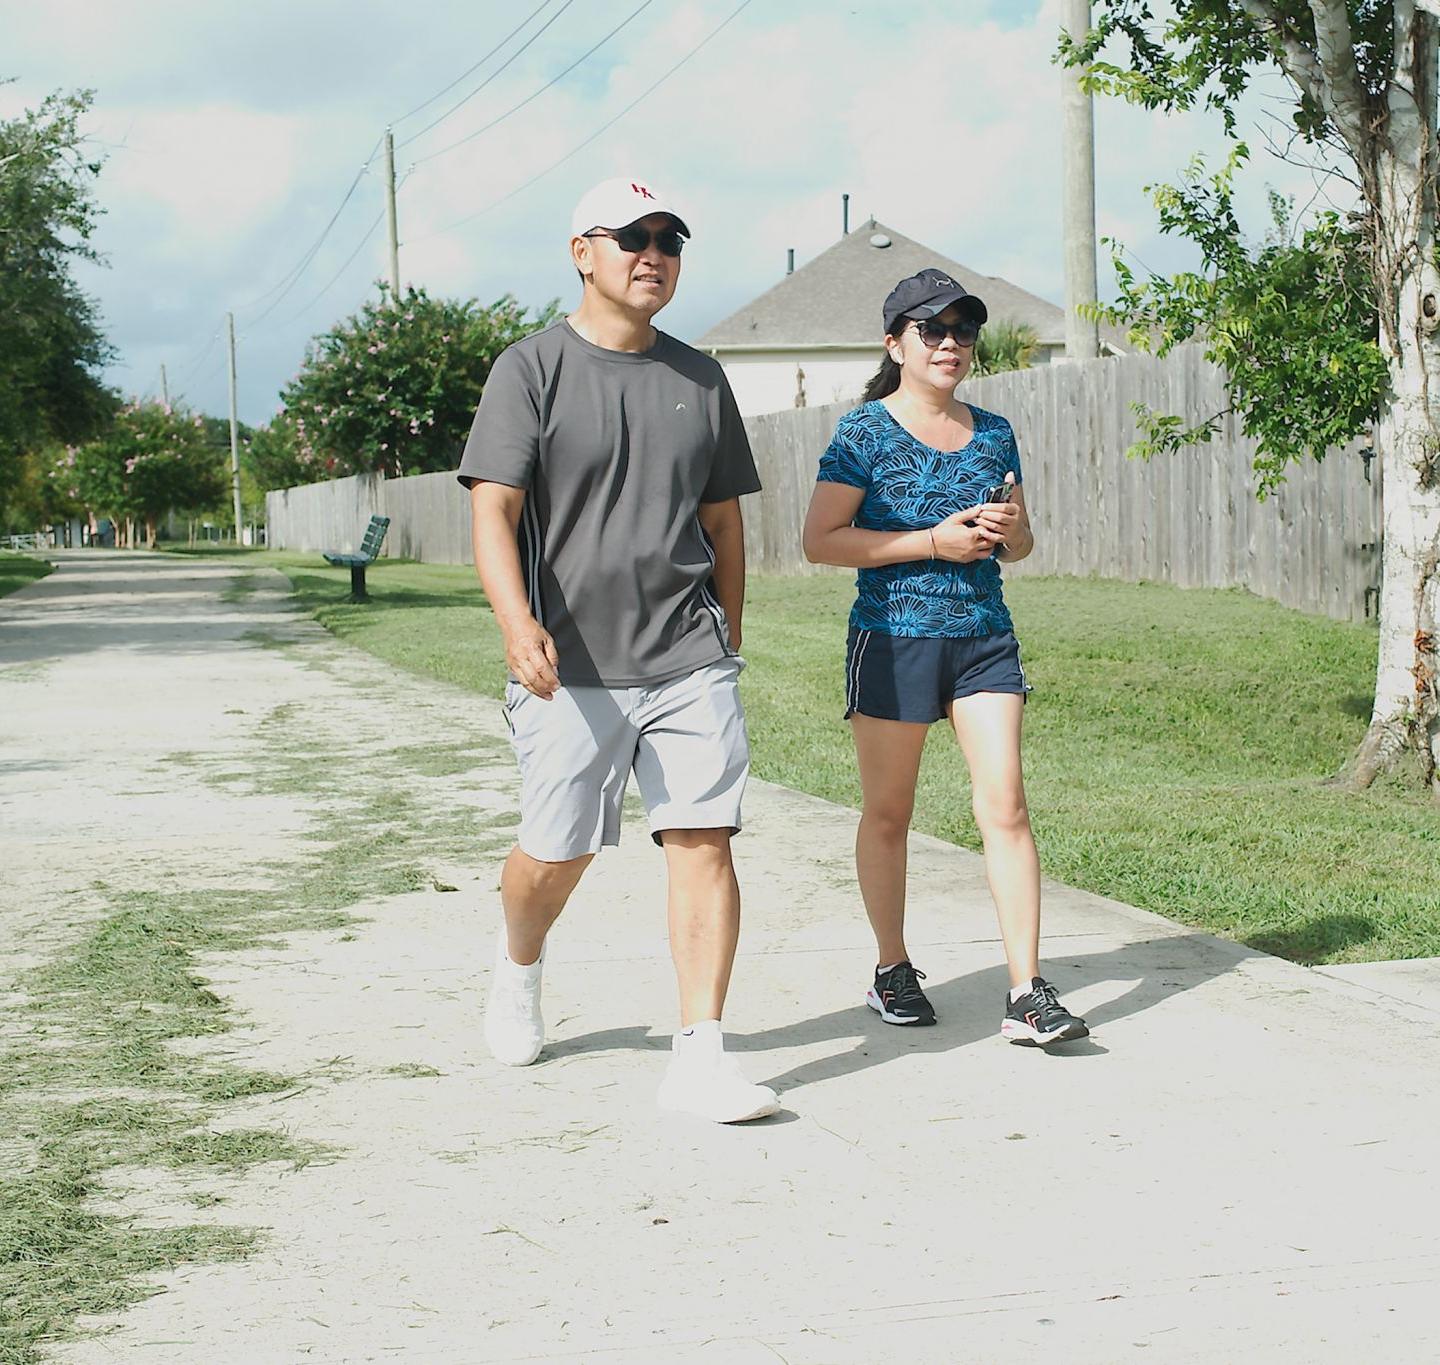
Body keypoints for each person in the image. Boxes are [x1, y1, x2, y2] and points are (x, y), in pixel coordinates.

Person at [457, 177, 778, 1123]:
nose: (654, 254)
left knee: (704, 838)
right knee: (555, 853)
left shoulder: (701, 378)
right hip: (571, 665)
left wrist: (726, 633)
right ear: (582, 252)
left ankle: (700, 1055)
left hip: (687, 654)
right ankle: (519, 964)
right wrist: (516, 621)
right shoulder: (530, 369)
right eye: (633, 236)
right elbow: (493, 509)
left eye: (670, 240)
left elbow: (723, 521)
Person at [801, 269, 1089, 1047]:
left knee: (1007, 806)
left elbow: (1020, 545)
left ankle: (1026, 991)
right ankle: (891, 967)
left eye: (963, 330)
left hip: (983, 639)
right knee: (890, 812)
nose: (950, 343)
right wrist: (933, 540)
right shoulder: (863, 432)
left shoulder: (994, 431)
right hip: (892, 639)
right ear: (895, 344)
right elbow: (820, 540)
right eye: (931, 329)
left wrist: (1012, 532)